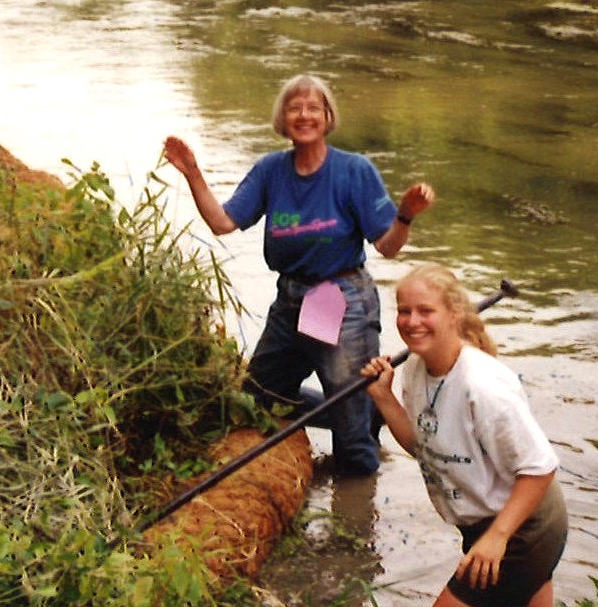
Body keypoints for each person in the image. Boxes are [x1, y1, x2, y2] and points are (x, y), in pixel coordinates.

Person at [163, 73, 435, 476]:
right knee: (259, 398)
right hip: (292, 299)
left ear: (327, 117)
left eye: (313, 108)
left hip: (342, 300)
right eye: (294, 108)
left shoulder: (354, 170)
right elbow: (222, 223)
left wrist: (405, 215)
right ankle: (365, 409)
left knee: (351, 433)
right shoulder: (271, 170)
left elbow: (388, 247)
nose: (304, 115)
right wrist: (192, 173)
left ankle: (357, 500)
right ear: (283, 118)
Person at [361, 263, 567, 607]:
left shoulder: (483, 386)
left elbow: (540, 467)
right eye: (404, 311)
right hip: (491, 525)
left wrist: (497, 538)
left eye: (426, 311)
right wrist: (383, 398)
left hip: (521, 528)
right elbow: (426, 449)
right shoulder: (417, 368)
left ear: (455, 313)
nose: (412, 322)